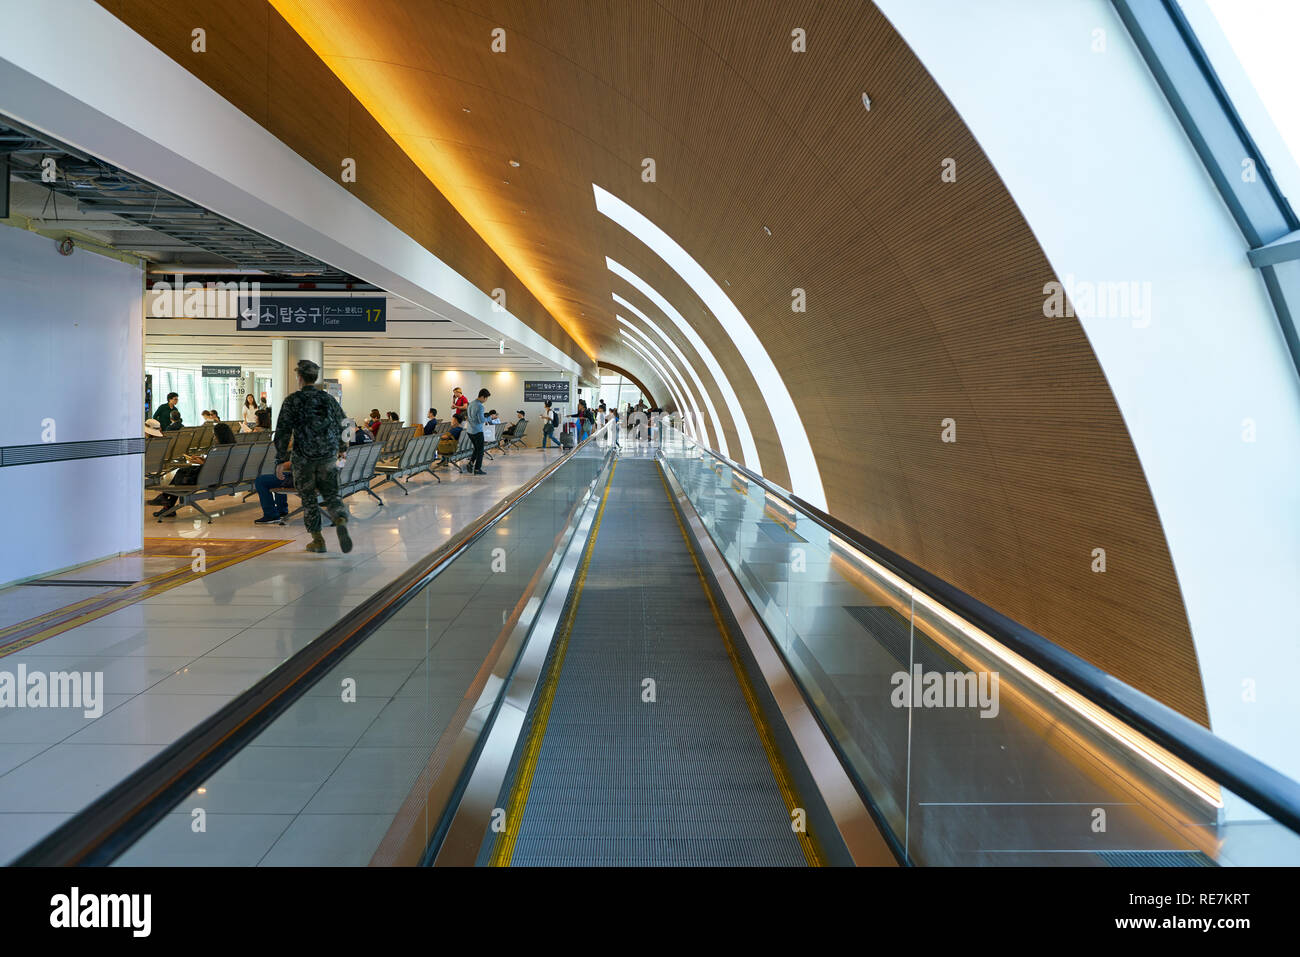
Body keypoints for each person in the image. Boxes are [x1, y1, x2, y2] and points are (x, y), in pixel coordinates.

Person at [274, 358, 352, 554]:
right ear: (315, 378)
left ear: (299, 378)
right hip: (327, 456)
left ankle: (318, 540)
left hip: (303, 459)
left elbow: (282, 431)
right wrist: (342, 448)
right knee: (332, 495)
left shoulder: (292, 400)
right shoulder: (328, 399)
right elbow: (345, 423)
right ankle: (340, 519)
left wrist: (280, 460)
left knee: (309, 500)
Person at [151, 422, 236, 515]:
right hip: (218, 476)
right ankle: (166, 502)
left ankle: (165, 500)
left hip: (209, 478)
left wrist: (200, 462)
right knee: (183, 472)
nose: (214, 438)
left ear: (221, 436)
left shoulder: (219, 449)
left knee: (181, 473)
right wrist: (203, 460)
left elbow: (215, 466)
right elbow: (219, 464)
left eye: (215, 435)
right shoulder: (231, 448)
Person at [466, 387, 490, 474]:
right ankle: (477, 469)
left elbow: (468, 417)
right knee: (480, 450)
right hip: (477, 431)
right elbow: (481, 420)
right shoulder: (480, 406)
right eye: (486, 398)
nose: (486, 400)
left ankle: (471, 463)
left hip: (470, 430)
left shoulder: (471, 404)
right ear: (483, 397)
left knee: (476, 448)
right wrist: (489, 418)